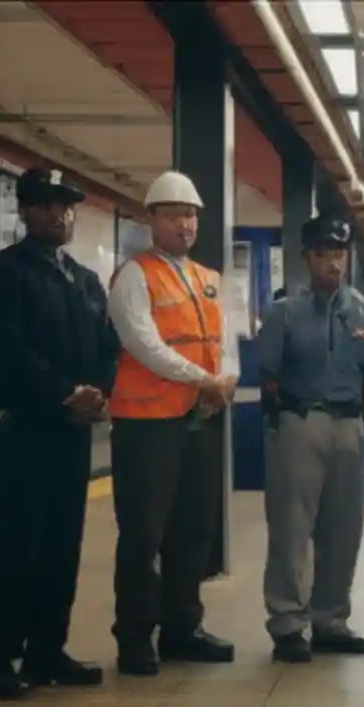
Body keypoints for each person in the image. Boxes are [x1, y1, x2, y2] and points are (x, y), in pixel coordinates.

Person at [107, 170, 239, 675]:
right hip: (147, 425)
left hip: (199, 421)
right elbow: (143, 343)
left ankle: (183, 628)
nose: (184, 224)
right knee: (143, 534)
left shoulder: (209, 280)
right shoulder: (134, 275)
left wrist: (224, 382)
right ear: (151, 219)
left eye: (190, 216)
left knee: (193, 529)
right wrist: (204, 381)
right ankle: (135, 637)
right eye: (173, 215)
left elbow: (226, 342)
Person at [0, 168, 116, 699]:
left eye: (67, 207)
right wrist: (65, 392)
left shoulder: (85, 280)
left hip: (71, 434)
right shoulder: (4, 274)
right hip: (24, 432)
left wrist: (98, 394)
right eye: (47, 205)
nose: (59, 215)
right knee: (15, 544)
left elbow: (107, 347)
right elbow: (8, 349)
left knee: (62, 544)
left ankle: (47, 648)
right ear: (24, 211)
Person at [256, 216, 364, 663]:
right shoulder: (284, 312)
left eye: (339, 255)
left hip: (349, 427)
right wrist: (284, 426)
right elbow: (268, 376)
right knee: (292, 527)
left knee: (344, 528)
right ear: (307, 257)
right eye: (324, 254)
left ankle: (331, 620)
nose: (333, 264)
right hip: (300, 421)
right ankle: (288, 622)